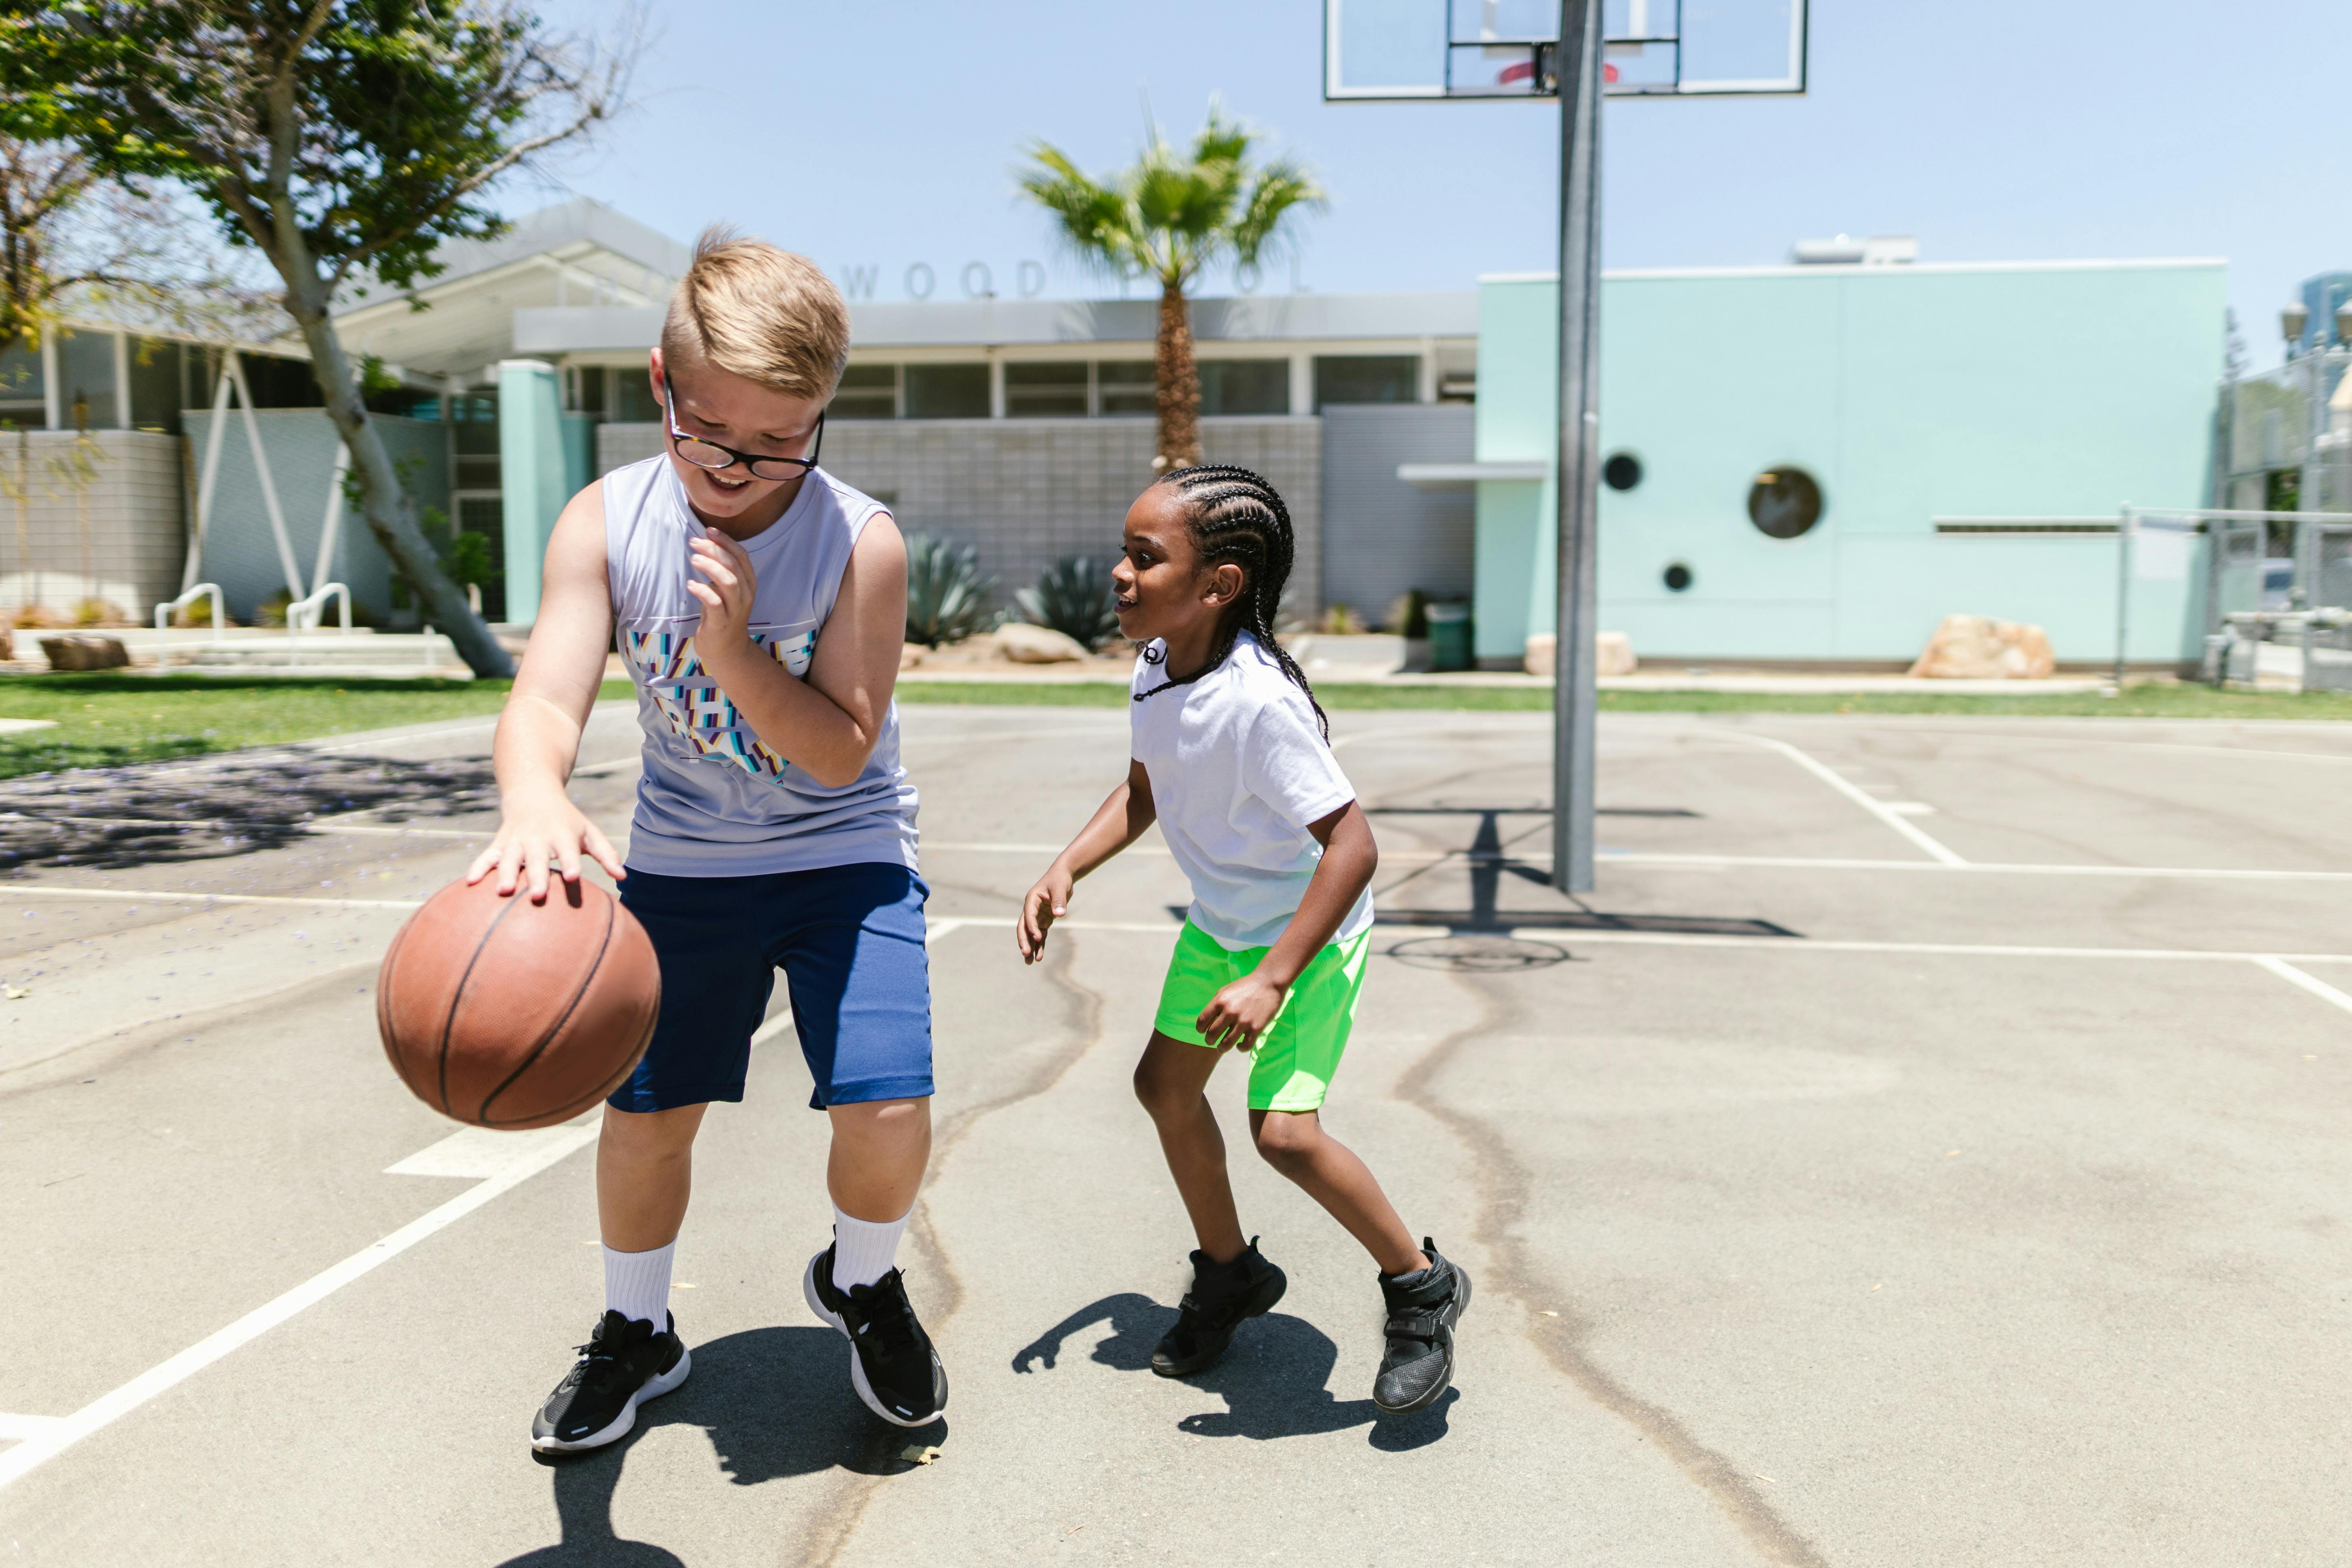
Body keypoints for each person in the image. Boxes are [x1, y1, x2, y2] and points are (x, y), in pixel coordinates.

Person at [470, 228, 947, 1454]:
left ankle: (862, 1279)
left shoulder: (860, 541)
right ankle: (638, 1328)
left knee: (888, 1109)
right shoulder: (607, 520)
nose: (740, 466)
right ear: (659, 386)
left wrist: (732, 650)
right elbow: (544, 699)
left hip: (848, 854)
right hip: (683, 865)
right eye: (711, 431)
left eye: (782, 439)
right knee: (647, 1117)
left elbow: (841, 749)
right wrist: (534, 794)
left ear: (824, 412)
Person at [1015, 465, 1470, 1416]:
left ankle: (1420, 1285)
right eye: (1125, 552)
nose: (1120, 574)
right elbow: (1144, 787)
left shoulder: (1260, 703)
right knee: (1163, 1088)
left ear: (1218, 585)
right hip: (1227, 929)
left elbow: (1353, 845)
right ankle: (1229, 1273)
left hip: (1304, 939)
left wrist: (1273, 976)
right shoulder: (1156, 666)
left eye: (1146, 558)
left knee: (1285, 1136)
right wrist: (1068, 864)